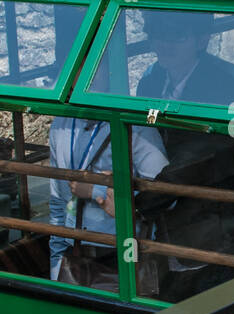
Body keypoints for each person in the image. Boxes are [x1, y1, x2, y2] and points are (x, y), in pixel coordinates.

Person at [134, 10, 234, 300]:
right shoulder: (151, 80)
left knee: (203, 299)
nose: (165, 43)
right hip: (164, 209)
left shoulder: (223, 83)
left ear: (202, 39)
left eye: (176, 35)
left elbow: (200, 157)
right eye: (158, 34)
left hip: (208, 212)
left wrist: (139, 203)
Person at [48, 116, 168, 290]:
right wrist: (56, 265)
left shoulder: (139, 128)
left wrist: (95, 190)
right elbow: (58, 200)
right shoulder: (60, 124)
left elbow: (165, 195)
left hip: (124, 256)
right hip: (74, 254)